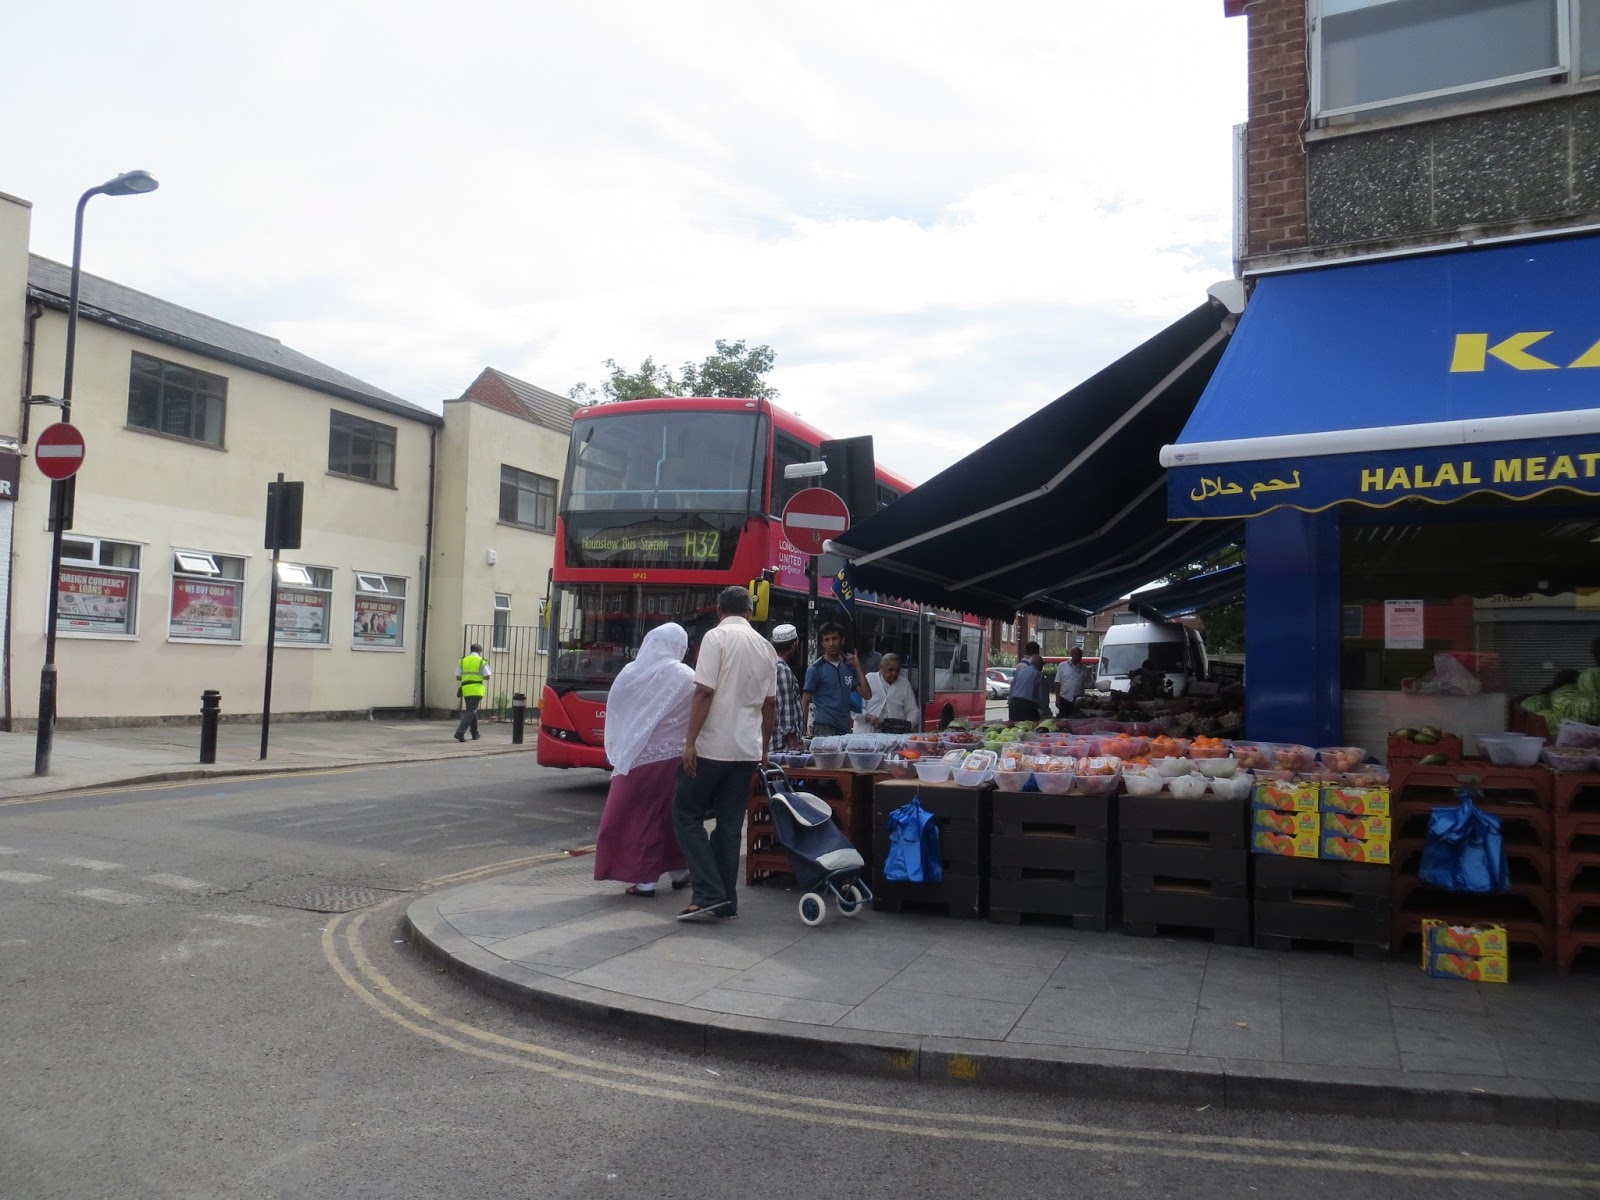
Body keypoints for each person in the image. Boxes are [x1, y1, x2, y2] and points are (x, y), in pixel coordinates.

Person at [672, 585, 777, 921]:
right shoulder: (766, 647)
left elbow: (704, 693)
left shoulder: (715, 638)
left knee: (686, 813)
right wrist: (764, 749)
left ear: (719, 611)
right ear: (750, 612)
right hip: (747, 749)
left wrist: (690, 742)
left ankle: (708, 892)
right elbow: (770, 705)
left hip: (713, 746)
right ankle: (726, 901)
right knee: (730, 826)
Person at [593, 623, 694, 897]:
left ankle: (645, 880)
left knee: (635, 816)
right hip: (675, 757)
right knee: (670, 816)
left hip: (636, 755)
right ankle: (679, 870)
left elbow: (617, 708)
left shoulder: (630, 672)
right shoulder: (685, 675)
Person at [802, 622, 871, 737]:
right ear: (822, 643)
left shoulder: (848, 668)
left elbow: (867, 695)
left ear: (842, 640)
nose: (831, 643)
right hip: (824, 727)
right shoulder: (815, 669)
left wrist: (857, 666)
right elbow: (805, 701)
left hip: (845, 728)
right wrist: (803, 730)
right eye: (827, 640)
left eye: (834, 638)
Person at [769, 623, 805, 756]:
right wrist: (794, 743)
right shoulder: (782, 670)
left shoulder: (769, 664)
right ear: (795, 645)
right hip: (781, 746)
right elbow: (786, 711)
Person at [864, 653, 919, 733]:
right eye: (890, 670)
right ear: (881, 668)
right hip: (867, 732)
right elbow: (856, 708)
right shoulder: (869, 679)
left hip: (895, 734)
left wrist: (908, 725)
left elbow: (913, 711)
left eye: (897, 670)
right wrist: (868, 717)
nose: (894, 673)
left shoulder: (905, 684)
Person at [453, 643, 492, 742]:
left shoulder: (463, 660)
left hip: (466, 689)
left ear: (471, 650)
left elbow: (458, 677)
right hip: (476, 689)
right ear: (480, 651)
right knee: (471, 711)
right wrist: (478, 677)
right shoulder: (481, 661)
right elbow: (487, 676)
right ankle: (460, 732)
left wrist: (467, 677)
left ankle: (475, 734)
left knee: (472, 711)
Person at [1008, 642, 1046, 722]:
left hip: (1014, 704)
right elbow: (1042, 696)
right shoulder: (1039, 675)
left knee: (1015, 726)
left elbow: (1012, 688)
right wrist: (1044, 710)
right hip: (1028, 706)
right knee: (1029, 726)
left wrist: (1010, 703)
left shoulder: (1020, 672)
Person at [1054, 647, 1092, 717]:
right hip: (1064, 699)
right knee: (1063, 719)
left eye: (1080, 655)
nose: (1078, 657)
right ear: (1072, 655)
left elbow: (1090, 684)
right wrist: (1057, 699)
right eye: (1076, 655)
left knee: (1077, 719)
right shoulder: (1062, 666)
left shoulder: (1085, 669)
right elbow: (1057, 683)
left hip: (1078, 701)